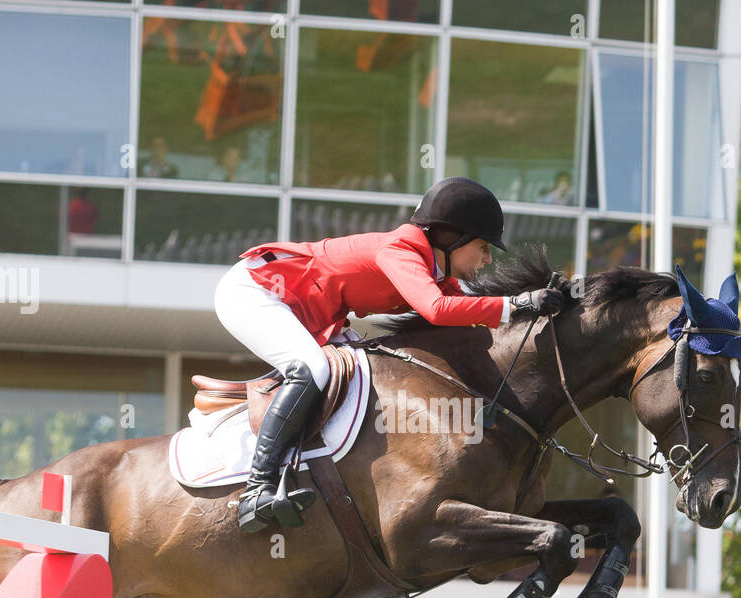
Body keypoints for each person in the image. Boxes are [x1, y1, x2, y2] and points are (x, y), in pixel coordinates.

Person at [214, 176, 566, 533]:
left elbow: (471, 312)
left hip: (304, 309)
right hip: (256, 291)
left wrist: (537, 306)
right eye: (483, 247)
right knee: (312, 369)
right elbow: (437, 309)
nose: (487, 260)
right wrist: (516, 303)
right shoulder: (401, 250)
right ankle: (257, 490)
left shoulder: (433, 267)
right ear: (452, 238)